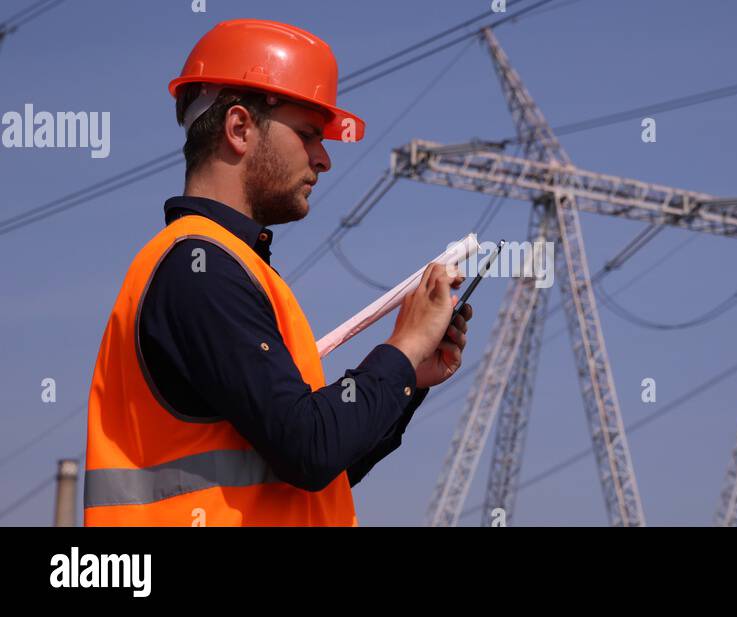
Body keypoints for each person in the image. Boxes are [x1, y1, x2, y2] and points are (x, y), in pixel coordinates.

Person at [83, 18, 473, 526]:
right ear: (240, 128)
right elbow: (309, 447)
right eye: (310, 134)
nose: (324, 158)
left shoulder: (226, 266)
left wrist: (408, 379)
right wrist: (402, 349)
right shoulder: (198, 268)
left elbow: (320, 465)